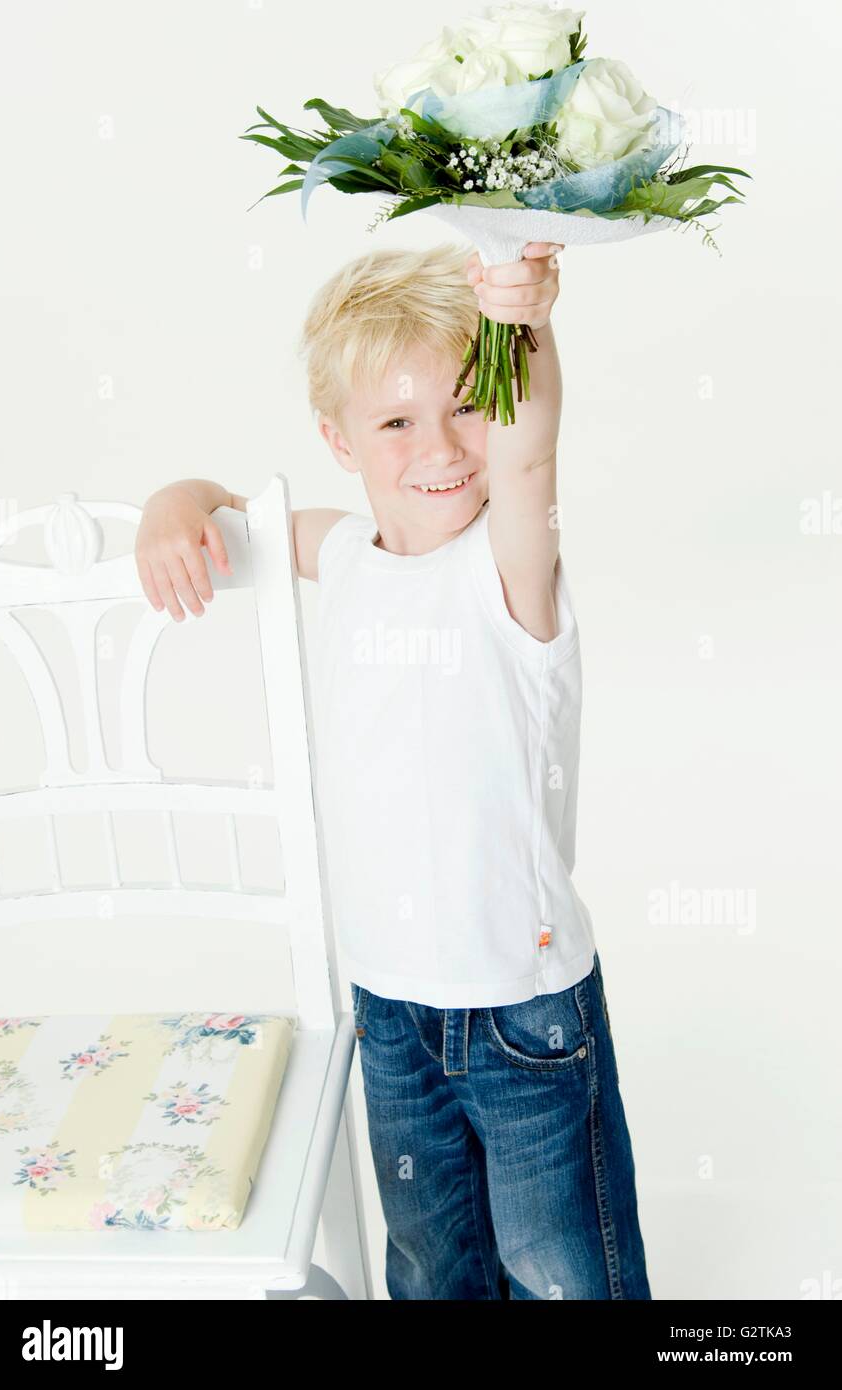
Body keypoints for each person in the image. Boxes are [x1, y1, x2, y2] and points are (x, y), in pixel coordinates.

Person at [134, 239, 651, 1300]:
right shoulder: (346, 555)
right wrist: (171, 503)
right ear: (339, 439)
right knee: (430, 1261)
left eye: (468, 405)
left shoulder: (512, 561)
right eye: (397, 422)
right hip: (392, 1007)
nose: (440, 446)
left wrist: (526, 323)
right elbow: (235, 516)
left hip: (523, 1011)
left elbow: (531, 453)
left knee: (564, 1269)